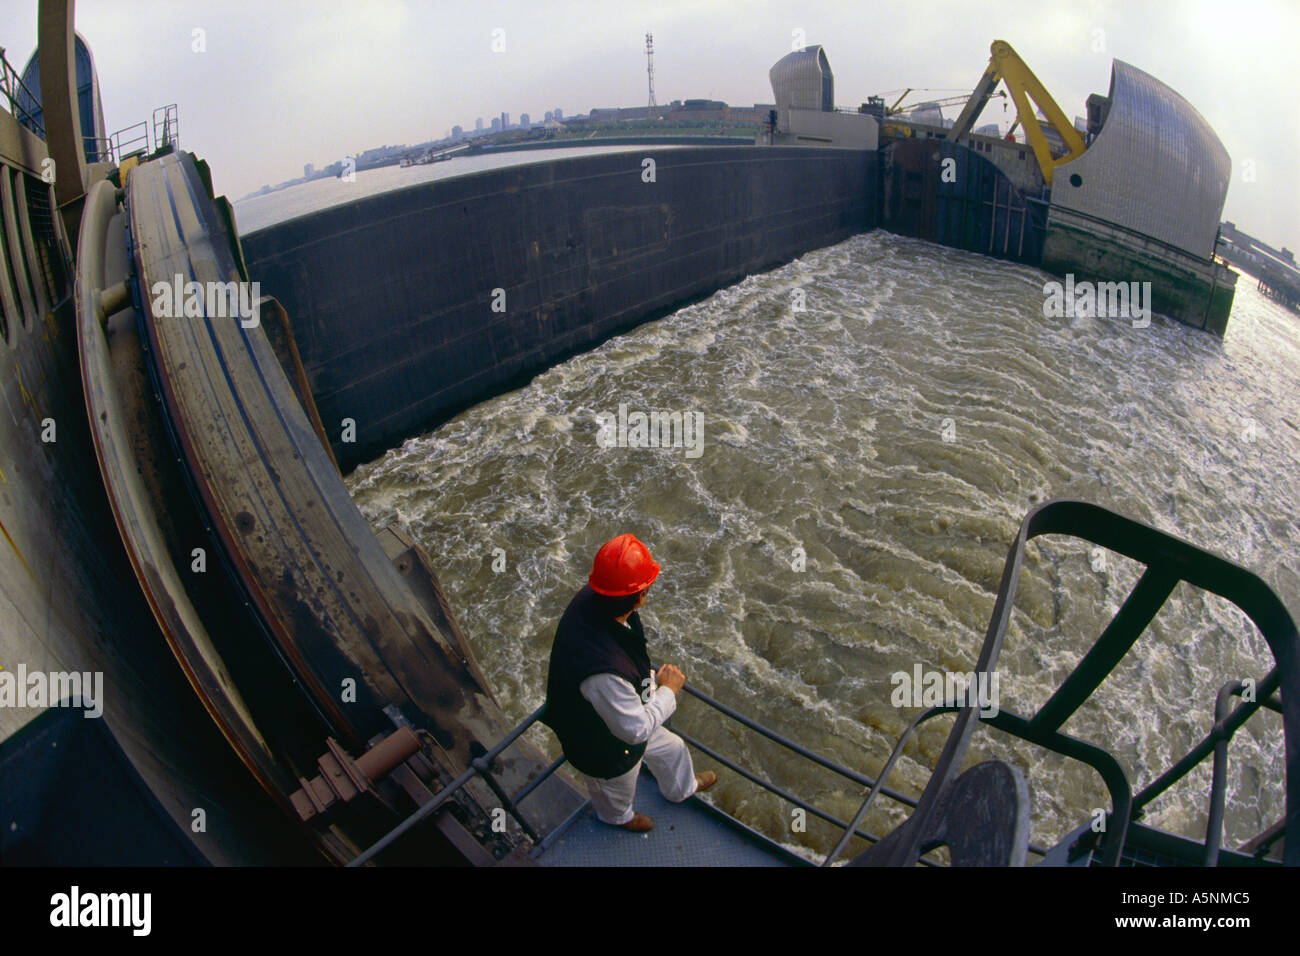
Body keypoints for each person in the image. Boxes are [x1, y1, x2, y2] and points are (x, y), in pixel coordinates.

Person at [542, 533, 716, 832]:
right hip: (603, 746)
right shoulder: (603, 673)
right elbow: (634, 731)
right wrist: (667, 690)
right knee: (617, 787)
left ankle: (682, 788)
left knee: (673, 748)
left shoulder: (596, 601)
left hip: (620, 713)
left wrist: (648, 688)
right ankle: (618, 817)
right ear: (640, 597)